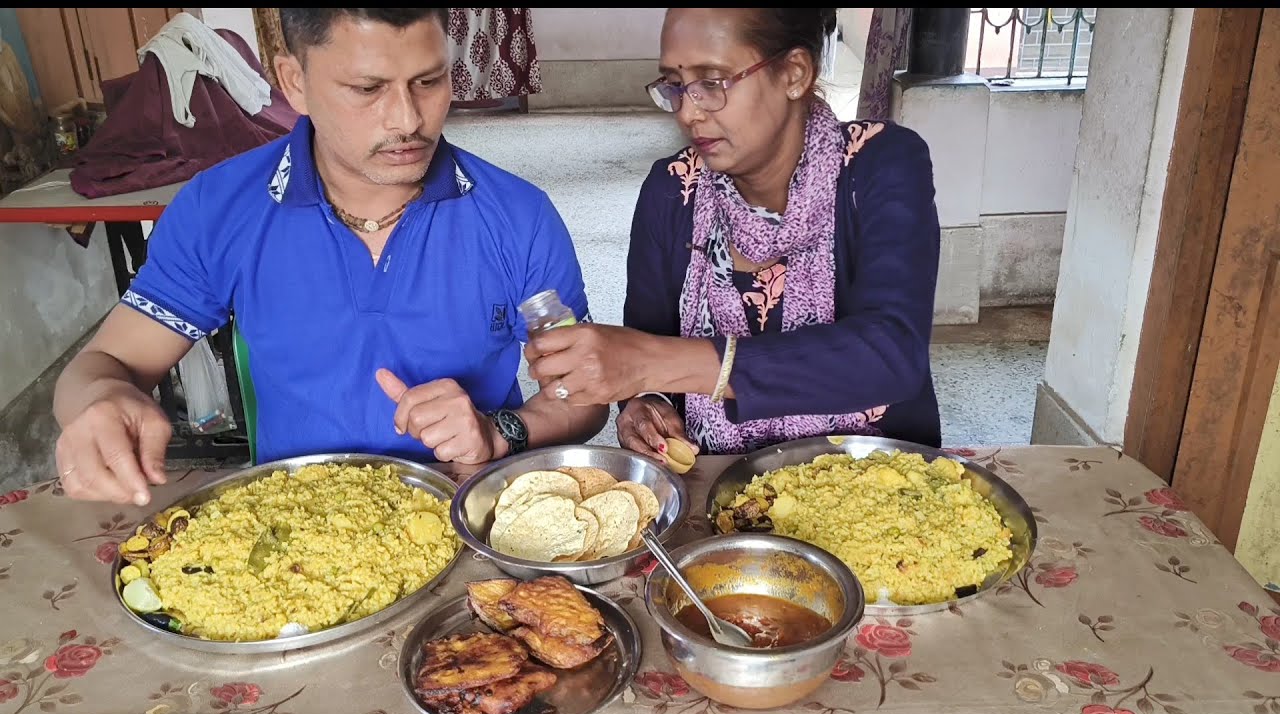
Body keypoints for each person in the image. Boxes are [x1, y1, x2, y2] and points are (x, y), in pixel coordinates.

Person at [51, 8, 607, 506]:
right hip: (294, 530)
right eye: (367, 89)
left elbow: (580, 395)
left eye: (428, 81)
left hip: (467, 513)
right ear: (295, 81)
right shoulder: (220, 210)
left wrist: (498, 432)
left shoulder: (518, 217)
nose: (407, 120)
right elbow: (105, 363)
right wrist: (100, 399)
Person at [525, 8, 941, 461]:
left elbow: (890, 353)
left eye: (712, 82)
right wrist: (645, 404)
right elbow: (648, 351)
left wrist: (651, 363)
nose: (688, 111)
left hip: (878, 471)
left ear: (794, 73)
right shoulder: (672, 191)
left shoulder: (880, 164)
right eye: (675, 85)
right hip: (721, 481)